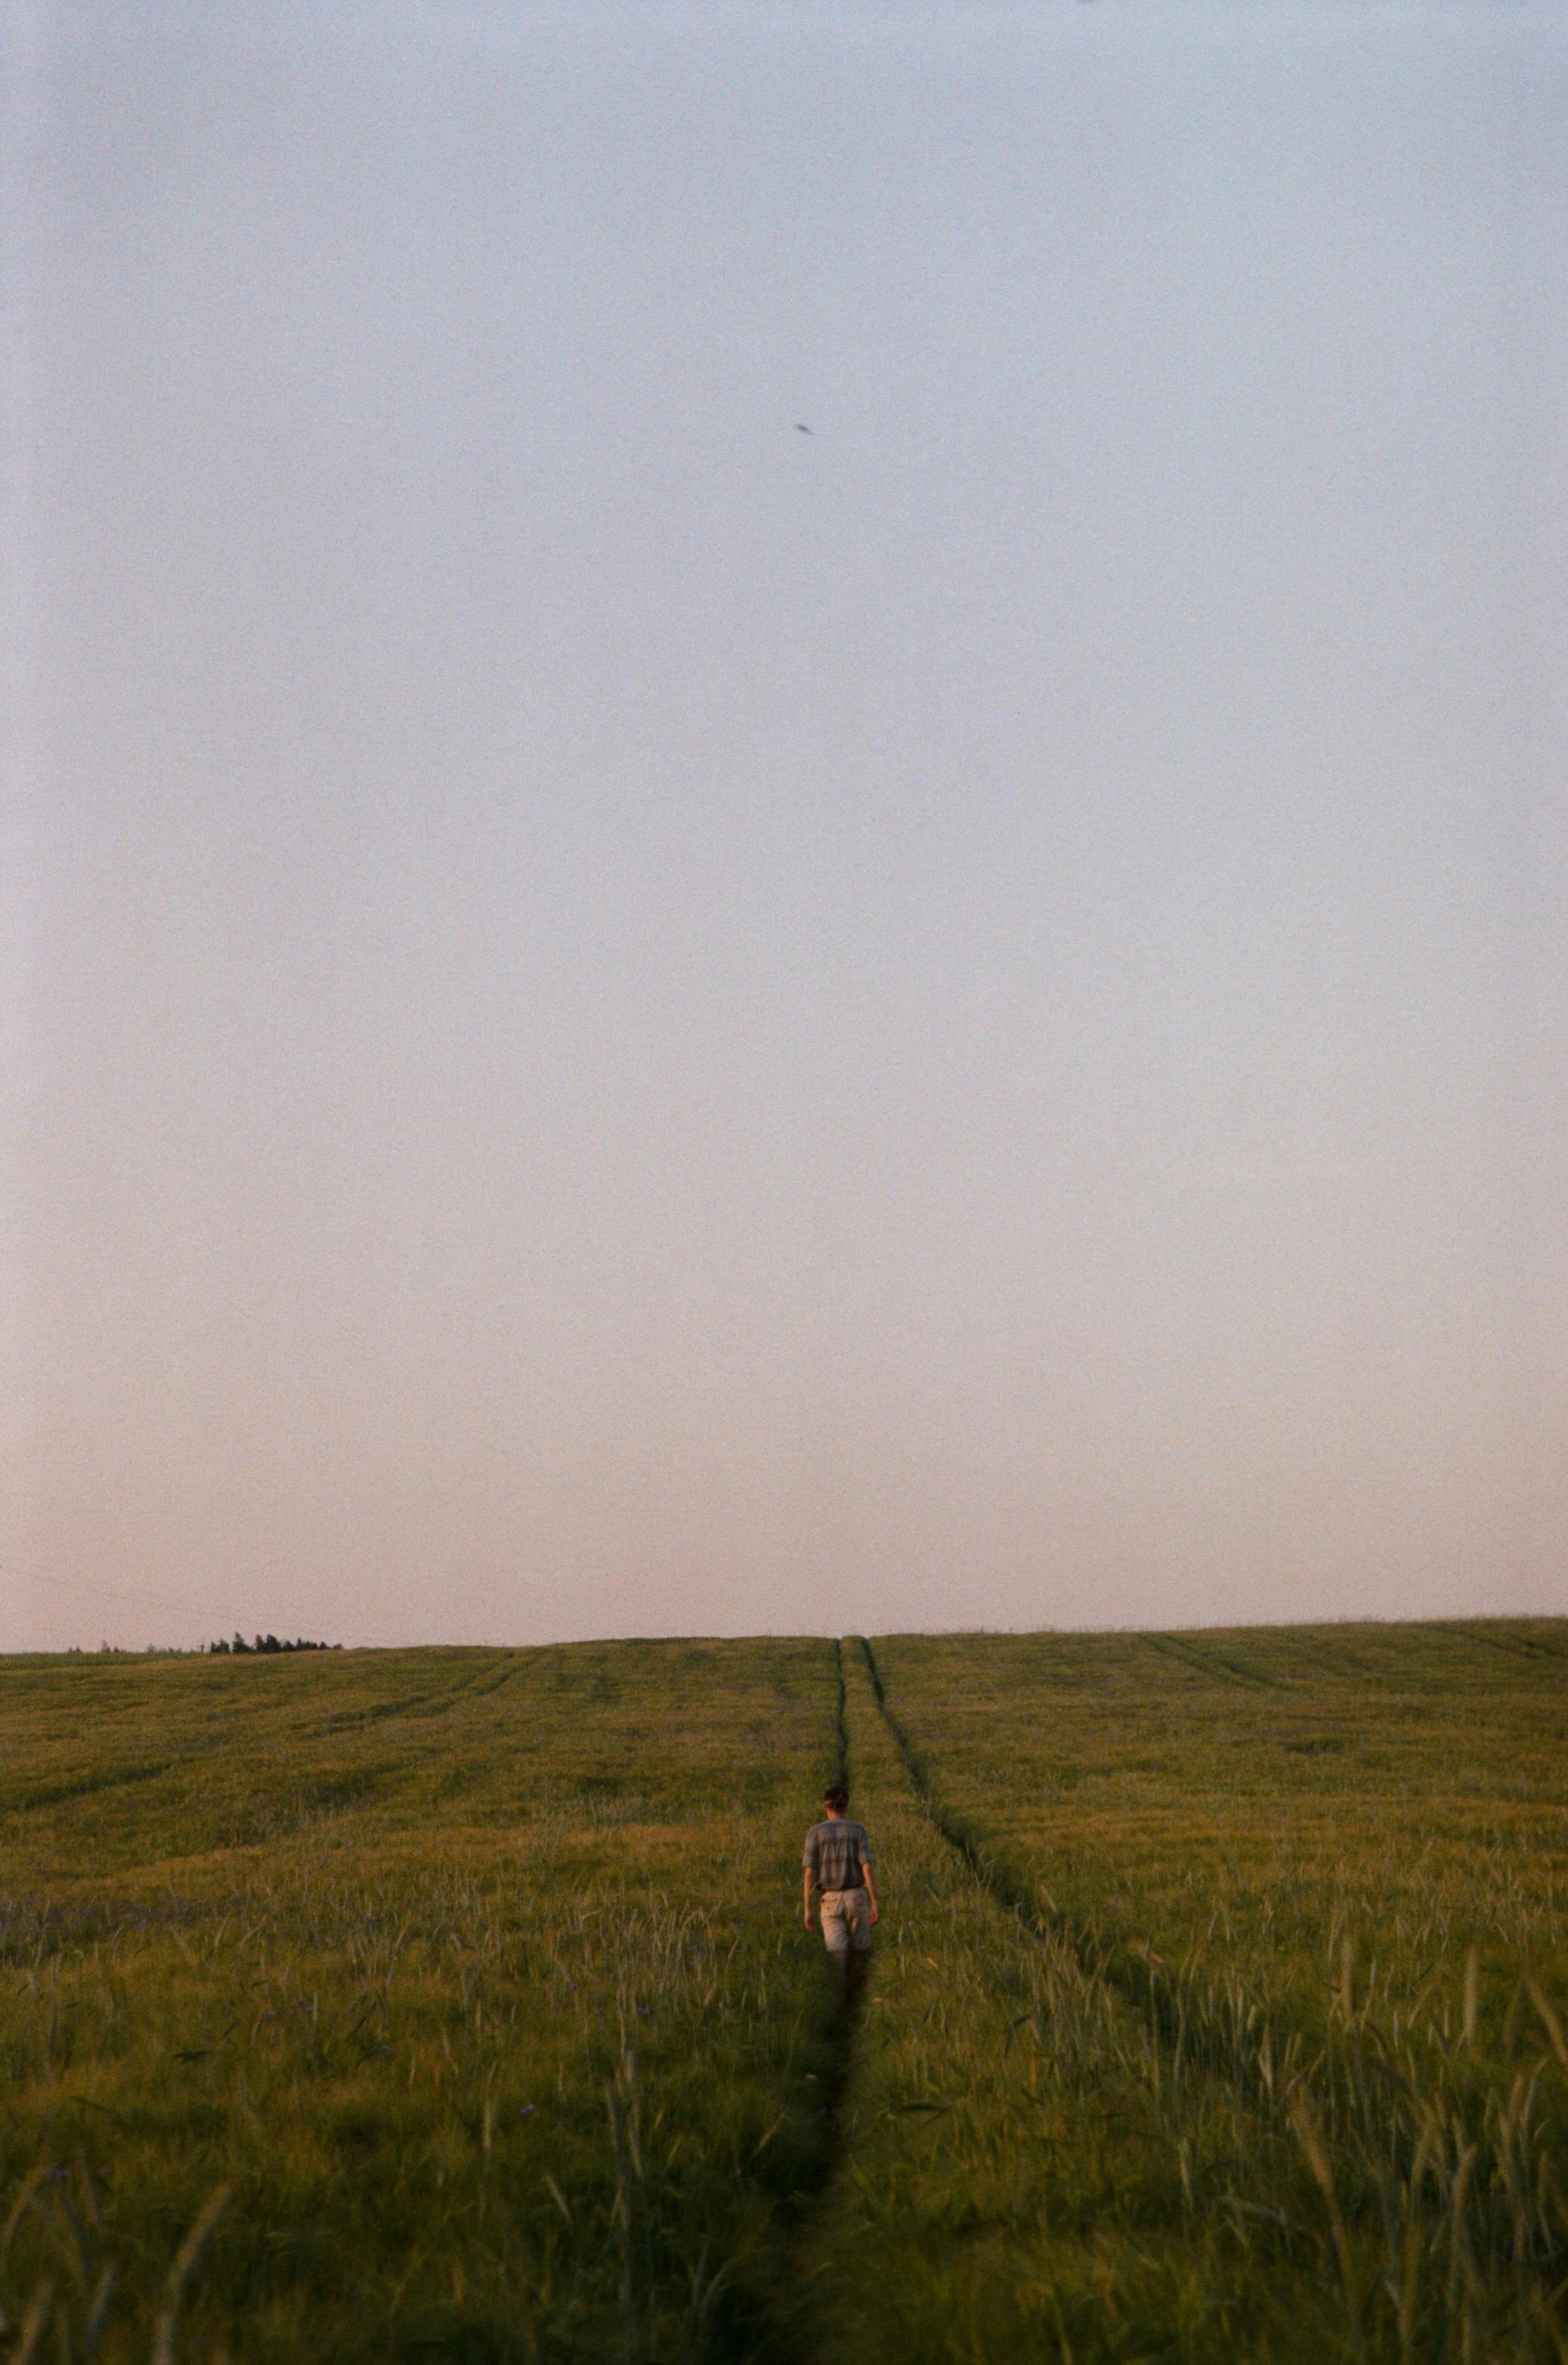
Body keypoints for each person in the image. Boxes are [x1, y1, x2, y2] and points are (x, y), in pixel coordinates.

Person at [802, 1784, 878, 1996]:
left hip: (830, 1901)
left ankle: (839, 2000)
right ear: (847, 1807)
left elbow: (809, 1873)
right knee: (858, 1954)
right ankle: (857, 2003)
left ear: (826, 1807)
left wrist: (807, 1909)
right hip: (856, 1898)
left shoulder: (815, 1832)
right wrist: (875, 1902)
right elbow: (867, 1867)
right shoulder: (858, 1830)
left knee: (837, 1955)